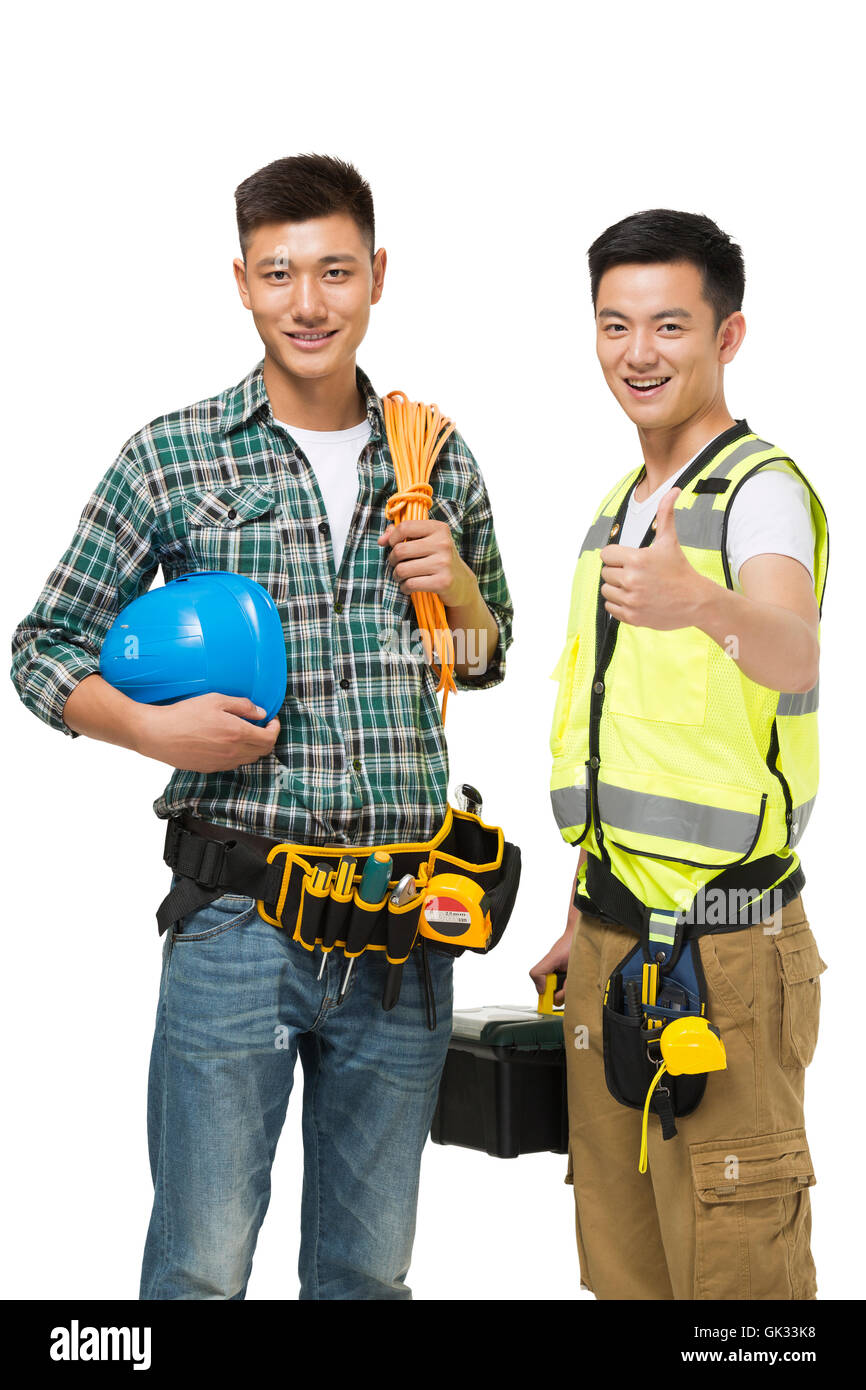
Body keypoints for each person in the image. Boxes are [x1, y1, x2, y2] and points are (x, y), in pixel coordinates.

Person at [11, 153, 513, 1300]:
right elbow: (40, 649)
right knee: (198, 1264)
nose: (308, 301)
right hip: (238, 920)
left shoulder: (431, 456)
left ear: (376, 275)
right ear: (240, 281)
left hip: (401, 932)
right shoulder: (173, 453)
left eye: (335, 270)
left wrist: (465, 593)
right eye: (280, 272)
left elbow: (479, 663)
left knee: (366, 1273)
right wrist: (154, 731)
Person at [531, 210, 828, 1301]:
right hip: (612, 941)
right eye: (614, 325)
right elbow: (620, 734)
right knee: (624, 1272)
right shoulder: (615, 510)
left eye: (667, 324)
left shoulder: (758, 494)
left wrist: (699, 600)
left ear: (726, 335)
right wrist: (579, 914)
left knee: (731, 1280)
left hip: (728, 956)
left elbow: (791, 646)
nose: (637, 352)